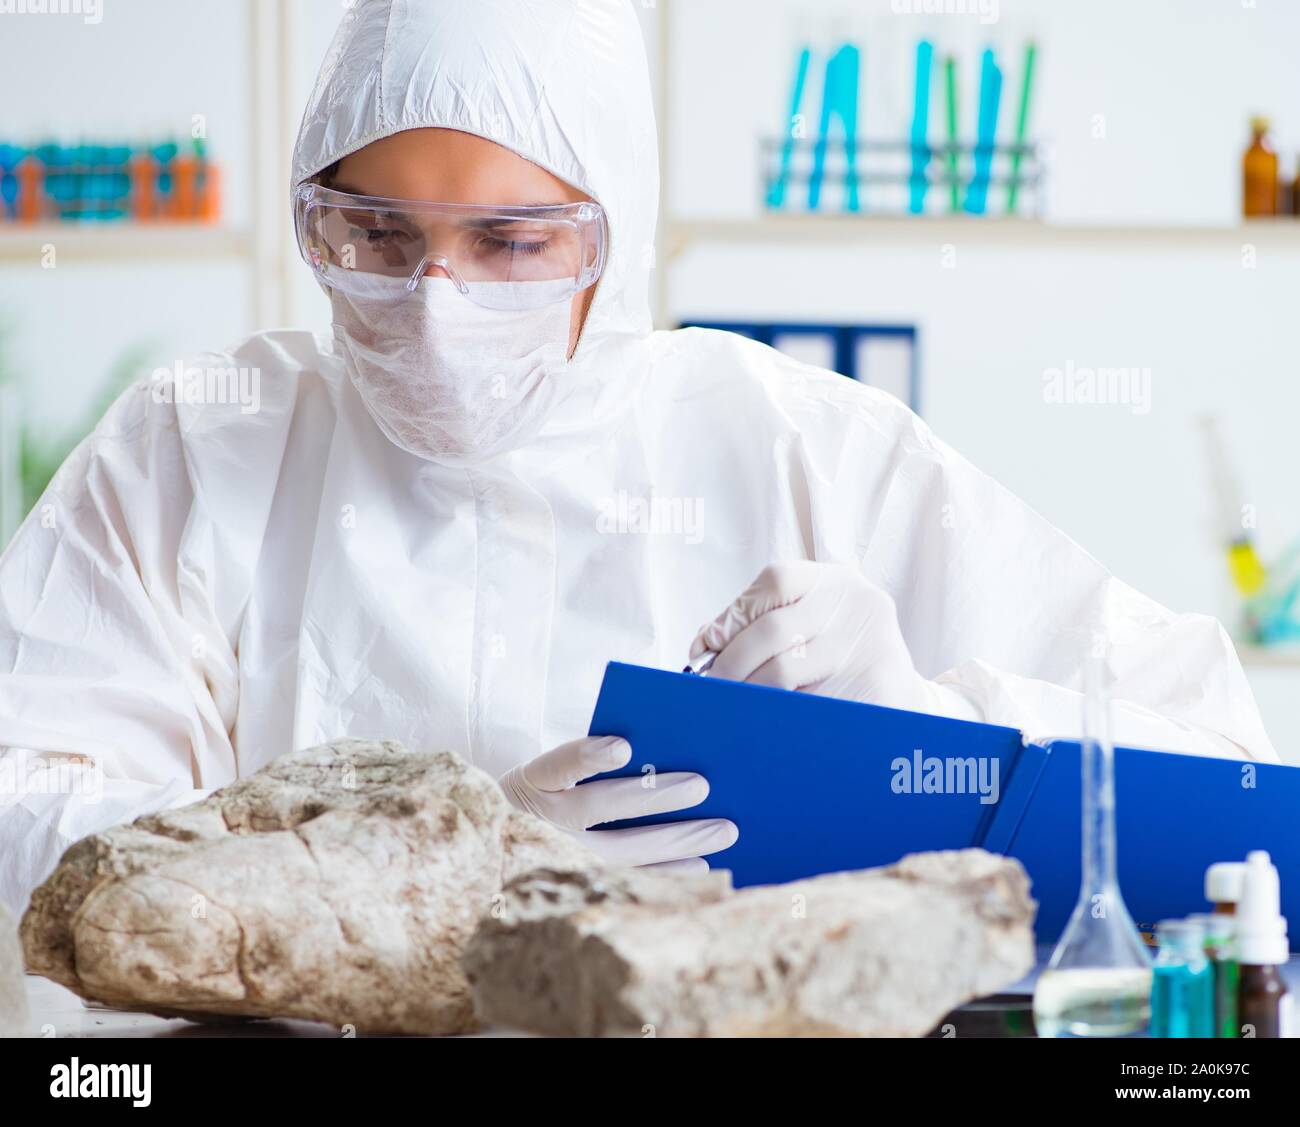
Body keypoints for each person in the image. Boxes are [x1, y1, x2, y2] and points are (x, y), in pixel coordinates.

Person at [0, 0, 1276, 917]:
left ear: (615, 242)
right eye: (376, 235)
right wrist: (419, 859)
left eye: (512, 242)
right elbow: (27, 824)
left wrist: (942, 725)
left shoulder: (795, 446)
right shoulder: (193, 444)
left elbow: (1220, 765)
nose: (435, 301)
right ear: (312, 219)